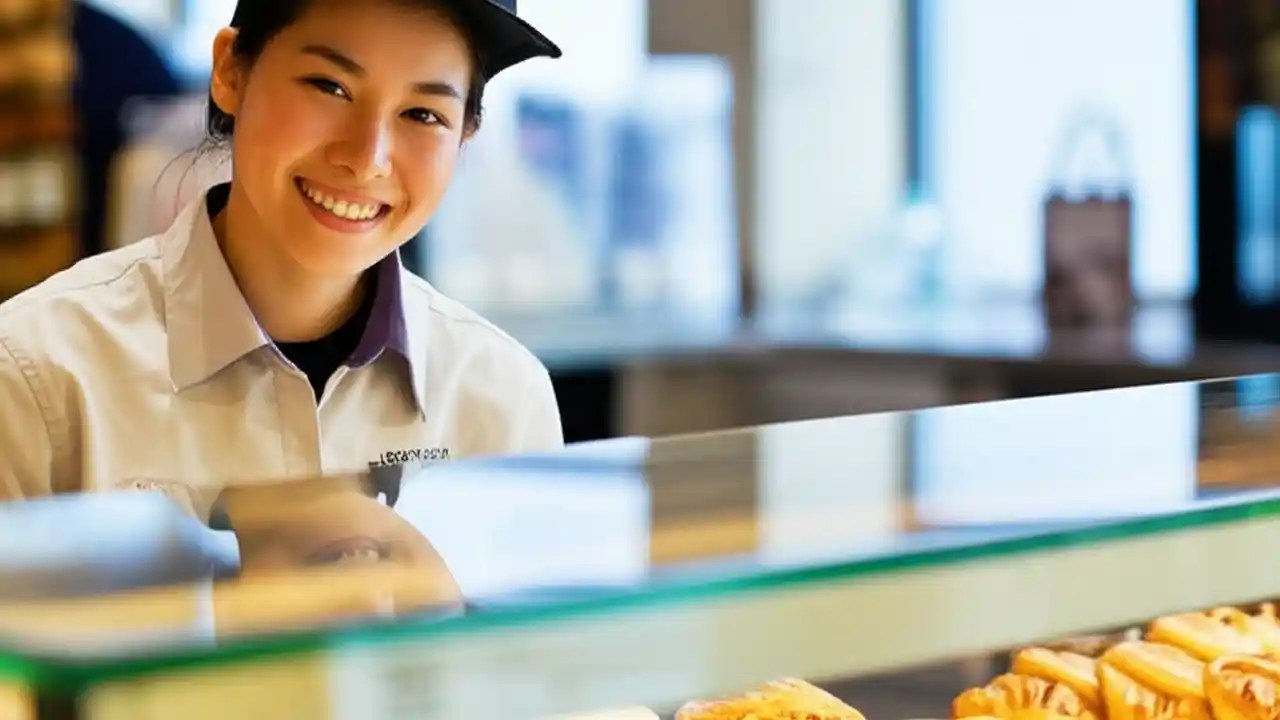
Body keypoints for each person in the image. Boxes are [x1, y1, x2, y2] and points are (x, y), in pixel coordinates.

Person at [0, 0, 565, 502]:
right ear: (230, 71)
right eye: (329, 86)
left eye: (423, 114)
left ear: (467, 133)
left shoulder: (502, 399)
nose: (367, 158)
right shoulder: (37, 377)